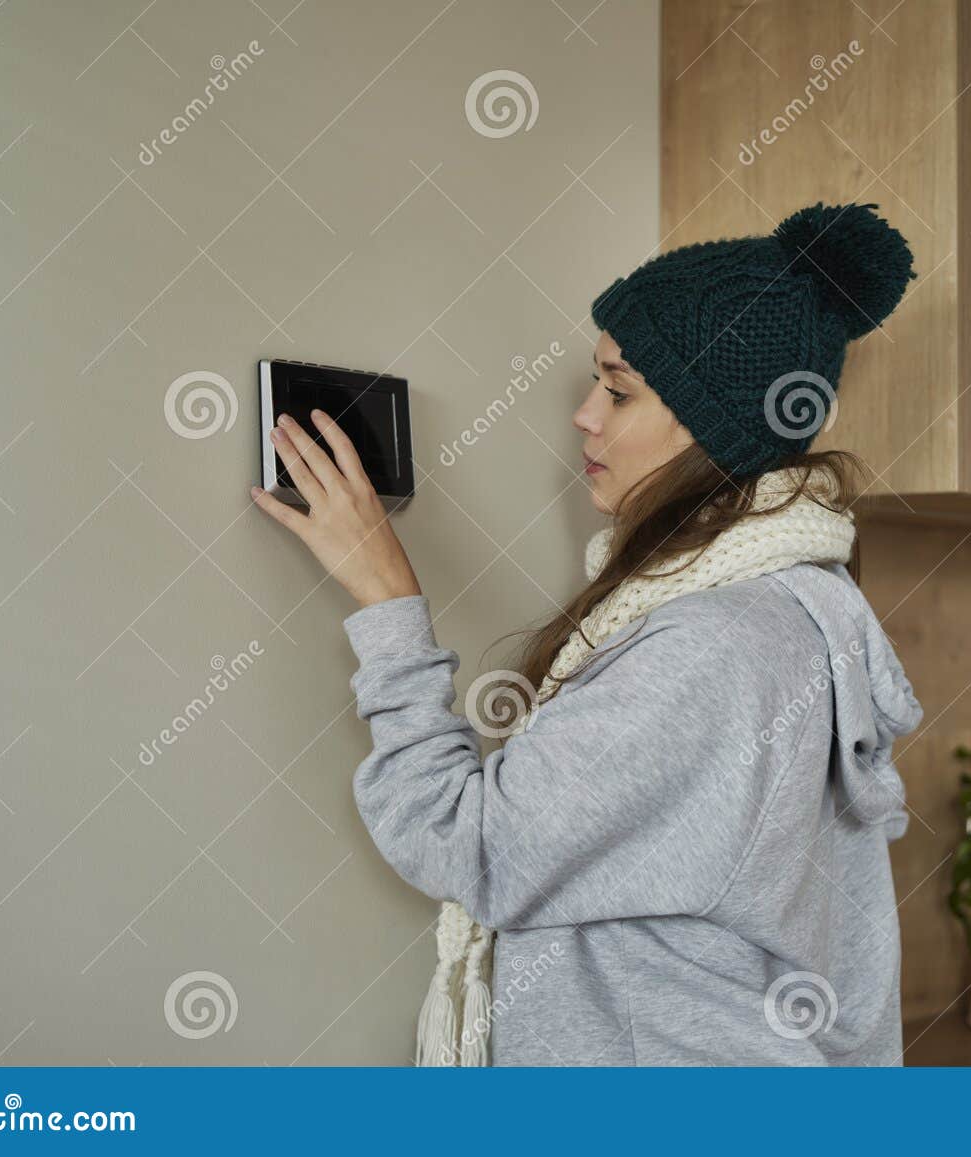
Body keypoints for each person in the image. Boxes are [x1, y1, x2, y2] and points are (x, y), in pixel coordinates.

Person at [251, 201, 925, 1065]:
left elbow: (472, 841)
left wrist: (386, 598)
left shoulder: (713, 649)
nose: (583, 415)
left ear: (709, 425)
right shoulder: (795, 611)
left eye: (619, 388)